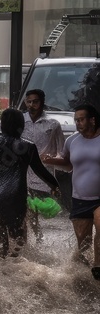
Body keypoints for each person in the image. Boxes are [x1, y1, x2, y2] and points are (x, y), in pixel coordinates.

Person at [0, 108, 60, 258]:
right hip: (16, 199)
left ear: (1, 126)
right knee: (18, 238)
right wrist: (54, 186)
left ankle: (2, 271)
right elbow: (41, 171)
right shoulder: (28, 146)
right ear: (21, 126)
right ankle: (17, 266)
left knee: (0, 242)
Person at [43, 103, 100, 278]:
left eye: (81, 120)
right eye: (76, 120)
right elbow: (68, 165)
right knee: (83, 243)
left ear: (92, 120)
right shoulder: (72, 140)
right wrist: (49, 160)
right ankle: (83, 278)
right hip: (80, 198)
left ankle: (98, 266)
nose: (78, 123)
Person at [19, 89, 66, 242]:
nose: (31, 105)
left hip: (43, 175)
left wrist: (51, 159)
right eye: (29, 101)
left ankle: (36, 238)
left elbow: (62, 152)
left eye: (35, 102)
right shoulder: (20, 121)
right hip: (22, 173)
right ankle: (31, 240)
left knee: (37, 209)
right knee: (26, 210)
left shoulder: (53, 124)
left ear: (42, 103)